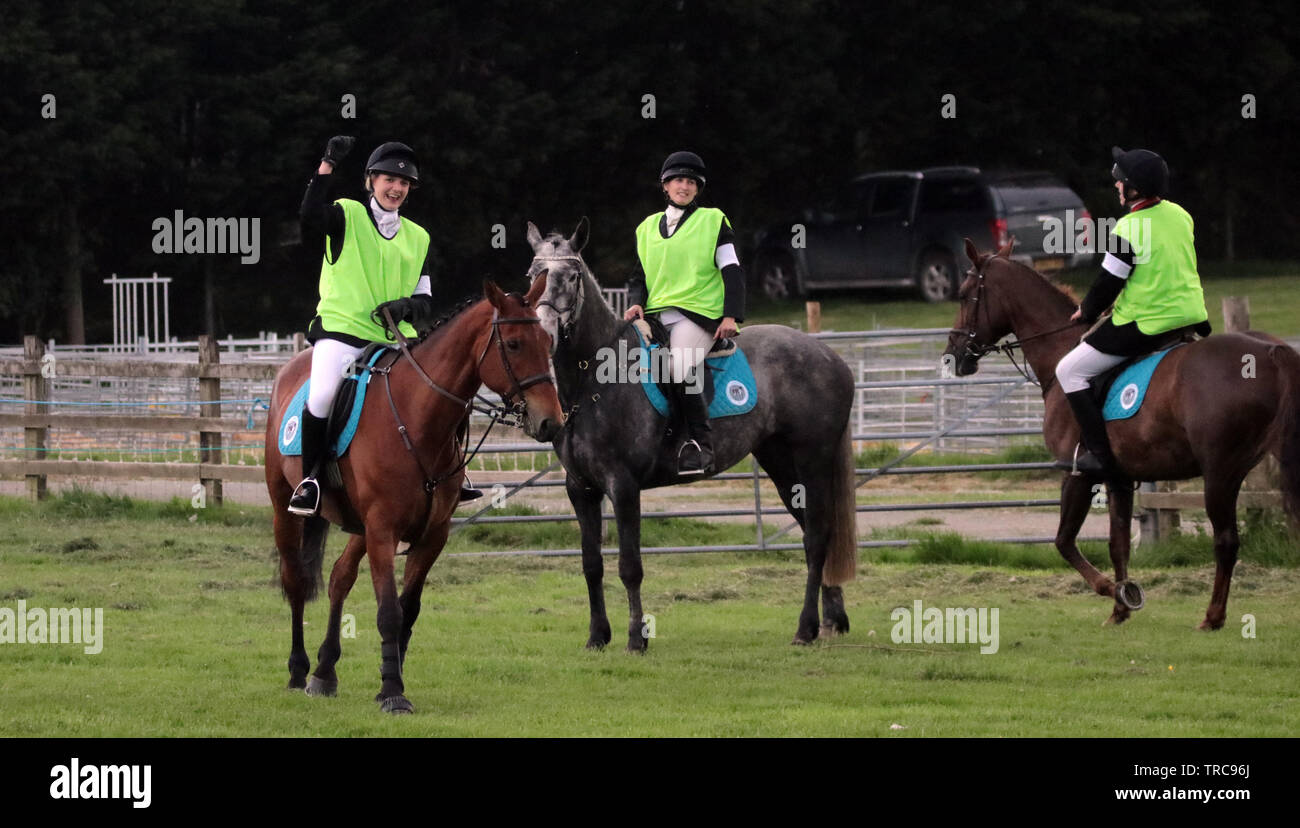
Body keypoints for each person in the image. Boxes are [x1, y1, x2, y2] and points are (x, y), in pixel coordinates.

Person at [289, 136, 476, 516]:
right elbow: (309, 217)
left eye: (404, 183)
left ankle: (454, 473)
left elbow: (425, 301)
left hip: (395, 340)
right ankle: (310, 481)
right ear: (371, 180)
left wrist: (406, 306)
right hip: (343, 330)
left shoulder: (418, 237)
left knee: (449, 391)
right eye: (389, 179)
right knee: (322, 394)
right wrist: (326, 166)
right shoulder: (346, 214)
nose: (397, 188)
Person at [1054, 146, 1210, 478]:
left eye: (1120, 181)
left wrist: (1086, 310)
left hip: (1146, 323)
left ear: (1134, 189)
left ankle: (1099, 455)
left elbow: (1109, 282)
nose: (1116, 186)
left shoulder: (1128, 229)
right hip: (1190, 315)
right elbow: (1162, 265)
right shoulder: (1181, 215)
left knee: (1069, 370)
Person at [625, 151, 746, 476]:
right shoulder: (647, 228)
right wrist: (636, 301)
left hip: (699, 315)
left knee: (678, 369)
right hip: (654, 316)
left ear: (697, 188)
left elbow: (731, 270)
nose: (685, 186)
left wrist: (731, 316)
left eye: (691, 182)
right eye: (678, 179)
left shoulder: (713, 221)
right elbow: (639, 276)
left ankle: (701, 447)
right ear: (665, 185)